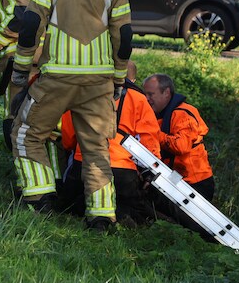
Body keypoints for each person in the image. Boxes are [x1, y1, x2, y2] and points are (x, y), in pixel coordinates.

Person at [10, 0, 133, 233]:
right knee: (96, 148)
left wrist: (21, 70)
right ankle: (102, 217)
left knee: (27, 134)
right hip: (98, 84)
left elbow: (30, 27)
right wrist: (118, 81)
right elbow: (124, 40)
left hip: (57, 80)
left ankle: (39, 199)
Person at [58, 62, 161, 227]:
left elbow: (69, 132)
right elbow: (149, 138)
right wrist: (149, 170)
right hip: (123, 166)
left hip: (84, 160)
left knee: (70, 202)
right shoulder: (138, 99)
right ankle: (121, 214)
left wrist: (72, 148)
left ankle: (89, 210)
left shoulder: (84, 91)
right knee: (136, 208)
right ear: (131, 78)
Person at [141, 73, 214, 204]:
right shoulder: (158, 115)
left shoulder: (183, 114)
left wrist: (154, 134)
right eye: (144, 94)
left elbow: (181, 146)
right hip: (175, 180)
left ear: (166, 93)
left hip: (195, 184)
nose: (146, 99)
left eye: (151, 94)